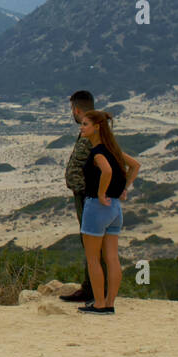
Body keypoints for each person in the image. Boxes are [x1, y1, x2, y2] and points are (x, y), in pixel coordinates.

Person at [77, 110, 140, 315]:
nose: (81, 127)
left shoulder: (98, 152)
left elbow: (107, 171)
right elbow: (135, 166)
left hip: (97, 207)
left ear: (97, 127)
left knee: (93, 258)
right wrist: (123, 189)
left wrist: (102, 192)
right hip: (115, 209)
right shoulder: (113, 150)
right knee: (112, 258)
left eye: (85, 124)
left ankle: (99, 304)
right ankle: (110, 302)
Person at [61, 90, 99, 303]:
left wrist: (82, 190)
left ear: (76, 109)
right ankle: (96, 289)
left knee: (91, 243)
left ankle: (92, 291)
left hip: (88, 198)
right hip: (96, 196)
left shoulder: (89, 133)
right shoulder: (102, 129)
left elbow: (76, 169)